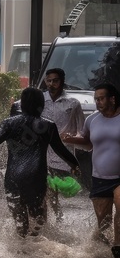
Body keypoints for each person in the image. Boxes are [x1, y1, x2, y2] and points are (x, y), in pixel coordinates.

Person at [0, 87, 80, 237]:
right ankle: (37, 245)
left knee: (20, 221)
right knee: (38, 217)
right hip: (36, 178)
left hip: (13, 178)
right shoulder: (48, 125)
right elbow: (61, 150)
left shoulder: (8, 123)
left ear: (21, 105)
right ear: (41, 105)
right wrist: (74, 165)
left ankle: (22, 250)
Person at [63, 82, 120, 257]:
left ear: (112, 99)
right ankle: (103, 257)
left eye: (101, 99)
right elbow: (88, 144)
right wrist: (69, 139)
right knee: (103, 222)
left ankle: (118, 245)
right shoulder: (92, 119)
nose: (98, 102)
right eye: (96, 99)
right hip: (100, 177)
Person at [39, 68, 86, 221]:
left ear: (62, 82)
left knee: (57, 188)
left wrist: (71, 138)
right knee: (46, 189)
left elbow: (82, 131)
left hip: (63, 154)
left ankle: (56, 217)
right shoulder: (40, 100)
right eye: (49, 80)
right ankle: (51, 219)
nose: (51, 84)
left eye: (55, 81)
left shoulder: (73, 103)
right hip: (42, 152)